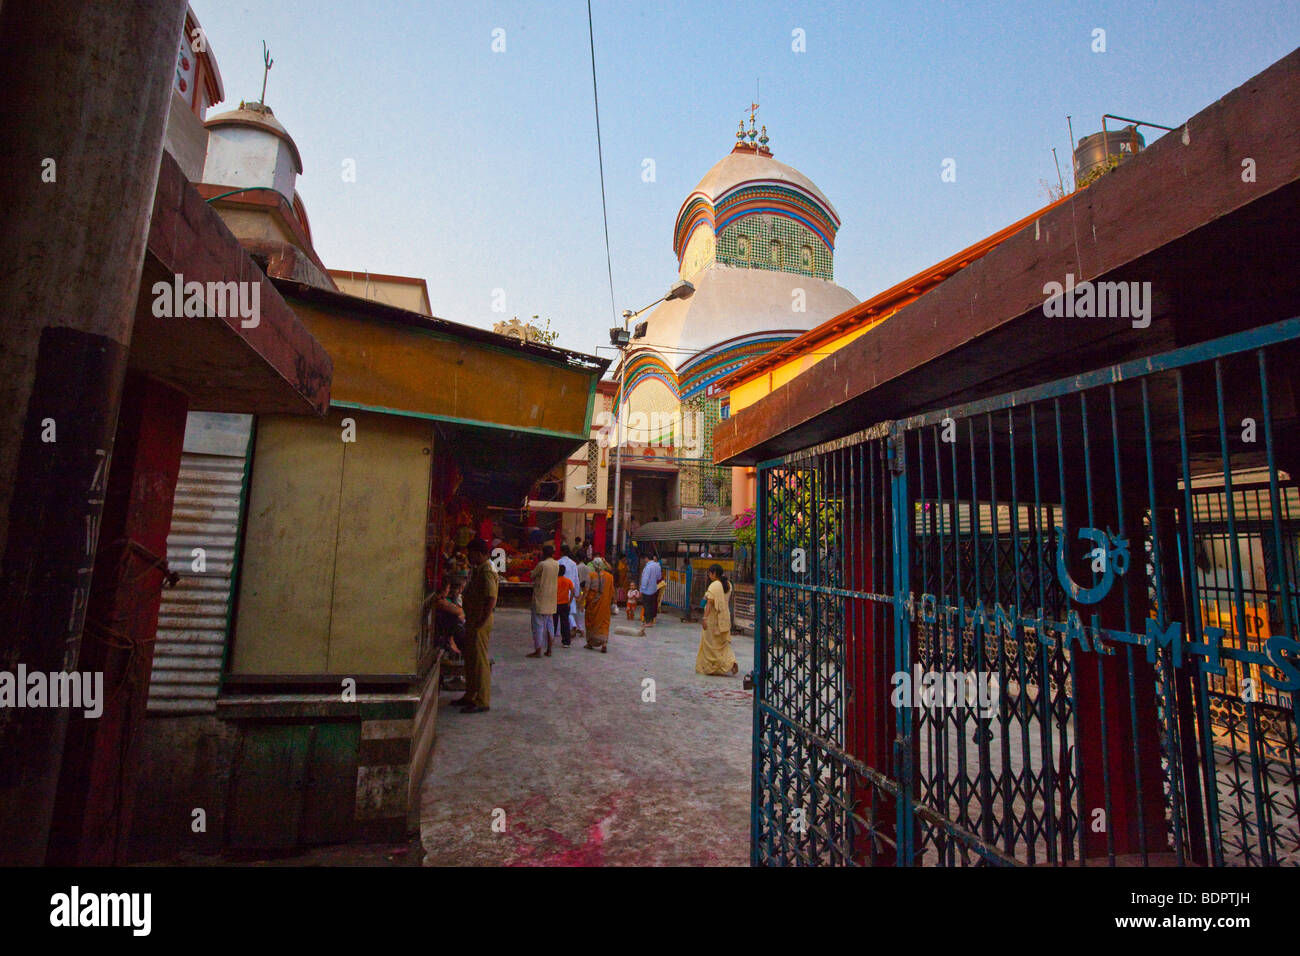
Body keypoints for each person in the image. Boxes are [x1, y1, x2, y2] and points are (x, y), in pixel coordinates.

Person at [459, 539, 498, 712]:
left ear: (479, 553)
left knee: (480, 660)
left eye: (471, 553)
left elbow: (491, 597)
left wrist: (483, 618)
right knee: (471, 658)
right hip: (473, 618)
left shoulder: (487, 570)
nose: (469, 557)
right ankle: (470, 694)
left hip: (480, 619)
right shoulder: (478, 569)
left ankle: (482, 700)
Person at [695, 564, 738, 676]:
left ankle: (713, 666)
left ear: (714, 573)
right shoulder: (728, 584)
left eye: (710, 573)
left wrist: (704, 618)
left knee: (710, 644)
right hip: (725, 617)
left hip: (713, 618)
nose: (709, 575)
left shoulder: (714, 585)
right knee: (722, 644)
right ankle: (730, 661)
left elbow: (709, 604)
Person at [528, 543, 560, 658]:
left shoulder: (542, 564)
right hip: (551, 598)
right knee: (549, 625)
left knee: (538, 626)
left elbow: (532, 575)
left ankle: (538, 650)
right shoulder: (557, 564)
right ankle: (549, 649)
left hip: (540, 598)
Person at [584, 556, 615, 652]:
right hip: (605, 604)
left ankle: (590, 643)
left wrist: (581, 601)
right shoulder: (609, 577)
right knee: (604, 622)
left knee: (591, 622)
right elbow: (612, 591)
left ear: (594, 565)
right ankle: (604, 643)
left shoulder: (591, 576)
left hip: (592, 604)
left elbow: (586, 590)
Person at [557, 545, 581, 637]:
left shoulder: (558, 562)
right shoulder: (573, 564)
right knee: (568, 610)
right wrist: (577, 592)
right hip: (570, 589)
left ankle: (571, 626)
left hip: (560, 589)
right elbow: (576, 578)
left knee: (560, 612)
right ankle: (571, 626)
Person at [639, 549, 663, 626]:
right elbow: (659, 577)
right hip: (654, 589)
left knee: (647, 606)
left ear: (646, 558)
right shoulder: (657, 566)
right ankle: (650, 621)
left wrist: (642, 589)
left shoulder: (648, 567)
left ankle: (648, 622)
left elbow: (645, 579)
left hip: (647, 590)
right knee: (652, 605)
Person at [554, 568, 574, 647]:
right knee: (565, 623)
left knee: (553, 623)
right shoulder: (568, 581)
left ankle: (550, 639)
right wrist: (570, 601)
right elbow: (573, 590)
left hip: (555, 604)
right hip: (565, 604)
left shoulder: (554, 580)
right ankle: (566, 642)